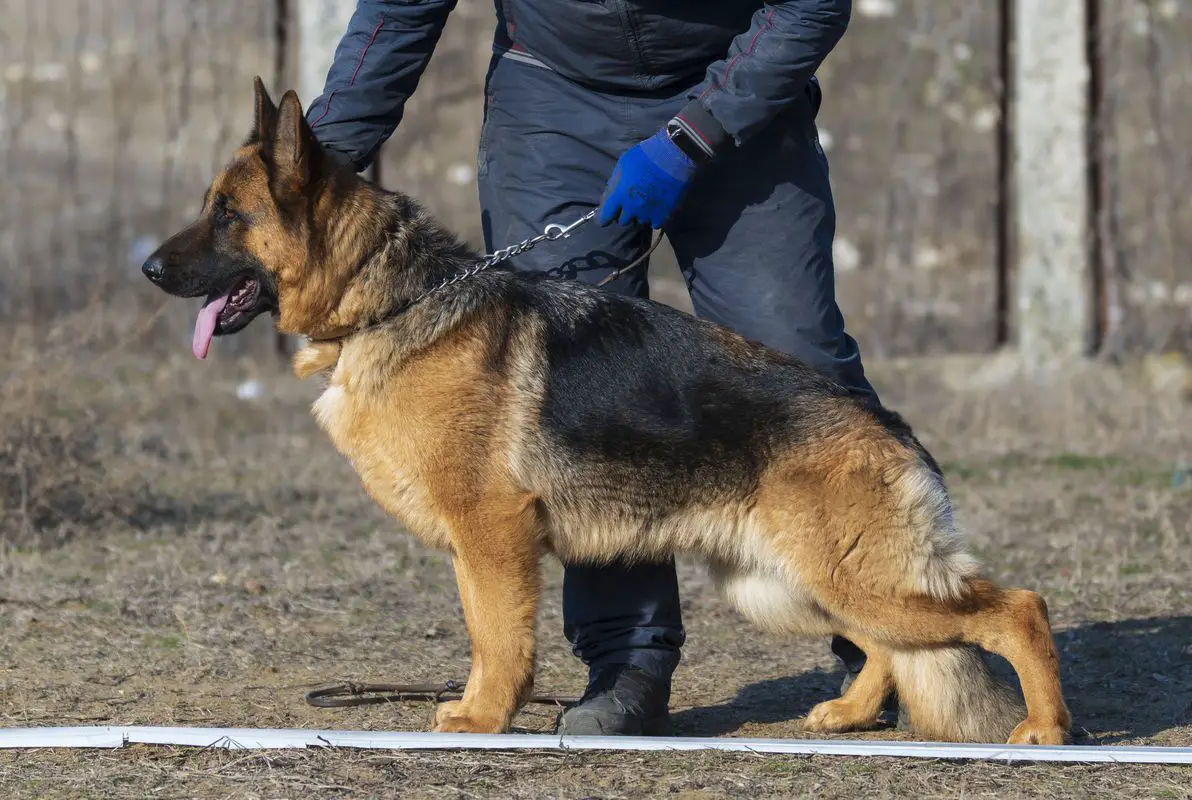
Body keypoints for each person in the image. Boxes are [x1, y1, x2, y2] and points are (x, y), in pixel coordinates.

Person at [306, 0, 879, 736]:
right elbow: (399, 8)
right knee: (575, 392)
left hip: (739, 81)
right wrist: (309, 171)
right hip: (555, 98)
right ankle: (626, 663)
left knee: (798, 355)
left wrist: (696, 132)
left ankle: (882, 633)